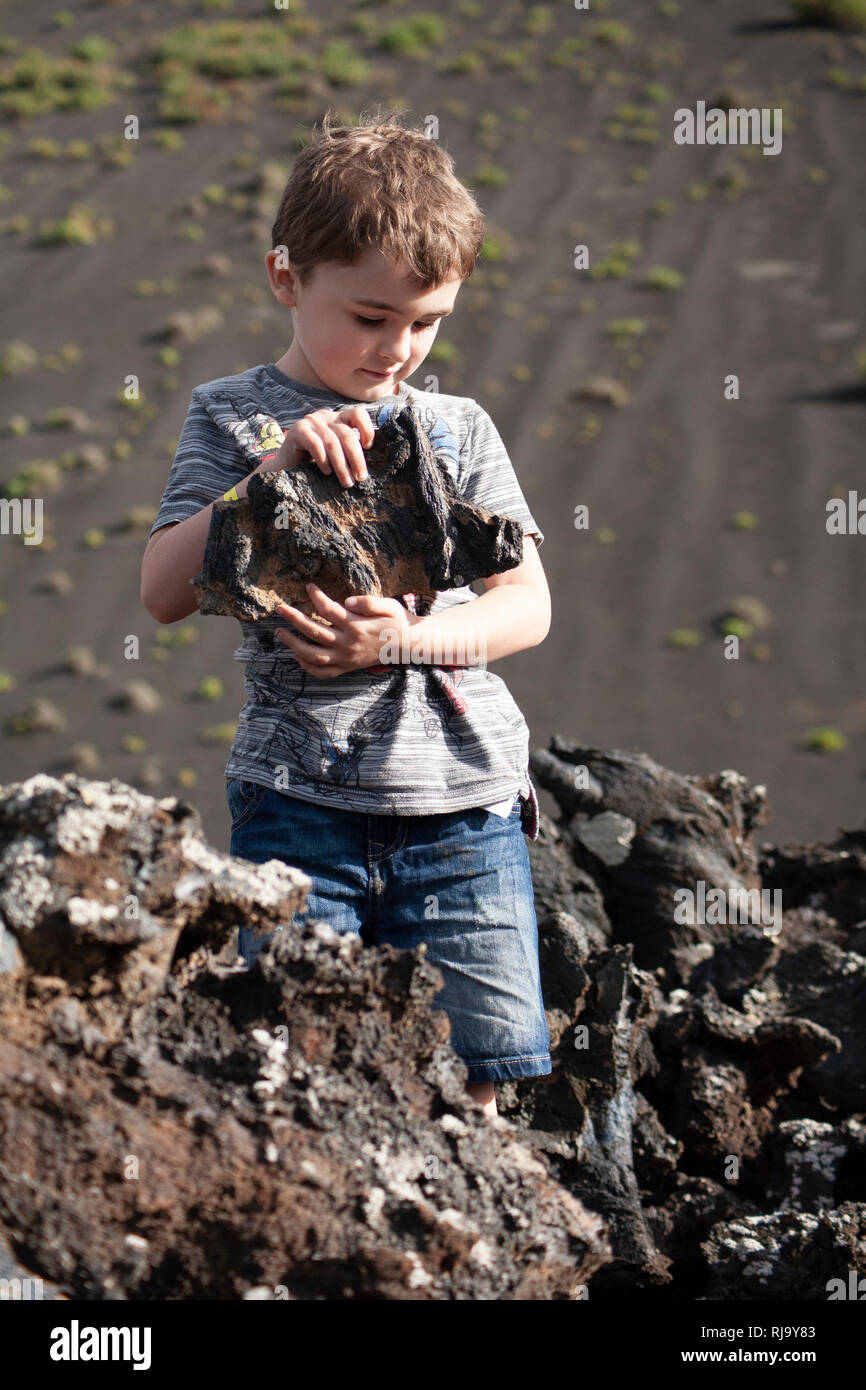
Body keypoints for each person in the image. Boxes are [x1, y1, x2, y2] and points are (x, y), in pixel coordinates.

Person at [141, 108, 552, 1117]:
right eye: (369, 318)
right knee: (297, 1080)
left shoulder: (456, 431)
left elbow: (526, 606)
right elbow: (160, 591)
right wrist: (268, 478)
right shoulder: (231, 416)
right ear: (286, 276)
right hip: (297, 806)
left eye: (425, 323)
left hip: (464, 806)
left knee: (478, 1088)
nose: (396, 349)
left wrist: (399, 639)